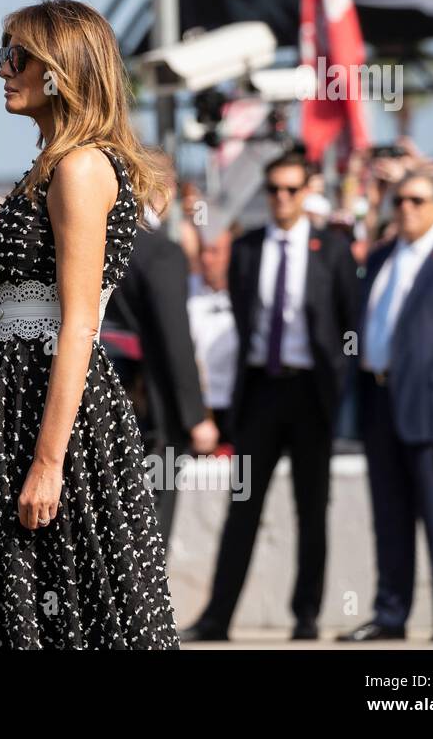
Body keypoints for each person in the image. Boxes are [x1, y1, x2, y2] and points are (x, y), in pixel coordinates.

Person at [0, 0, 179, 649]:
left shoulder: (82, 167)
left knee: (78, 610)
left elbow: (80, 323)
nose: (3, 69)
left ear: (60, 70)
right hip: (19, 407)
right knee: (31, 608)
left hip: (59, 419)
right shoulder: (51, 165)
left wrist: (48, 461)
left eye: (16, 56)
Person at [183, 151, 359, 642]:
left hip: (310, 393)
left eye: (291, 189)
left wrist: (336, 382)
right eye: (274, 190)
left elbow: (351, 324)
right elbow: (244, 318)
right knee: (243, 506)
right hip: (260, 391)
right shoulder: (248, 249)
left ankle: (306, 615)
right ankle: (217, 618)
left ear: (306, 192)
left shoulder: (332, 250)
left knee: (311, 509)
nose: (281, 198)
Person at [338, 172, 433, 643]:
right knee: (390, 518)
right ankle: (390, 614)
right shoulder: (380, 257)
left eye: (416, 200)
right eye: (399, 200)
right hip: (380, 401)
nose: (405, 207)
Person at [107, 189, 212, 540]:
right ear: (162, 191)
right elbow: (175, 338)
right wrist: (195, 415)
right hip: (152, 410)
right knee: (149, 530)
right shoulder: (161, 252)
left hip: (94, 401)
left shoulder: (96, 243)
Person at [187, 227, 238, 445]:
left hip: (235, 405)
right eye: (203, 251)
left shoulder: (246, 293)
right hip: (195, 408)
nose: (207, 259)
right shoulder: (185, 289)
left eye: (215, 251)